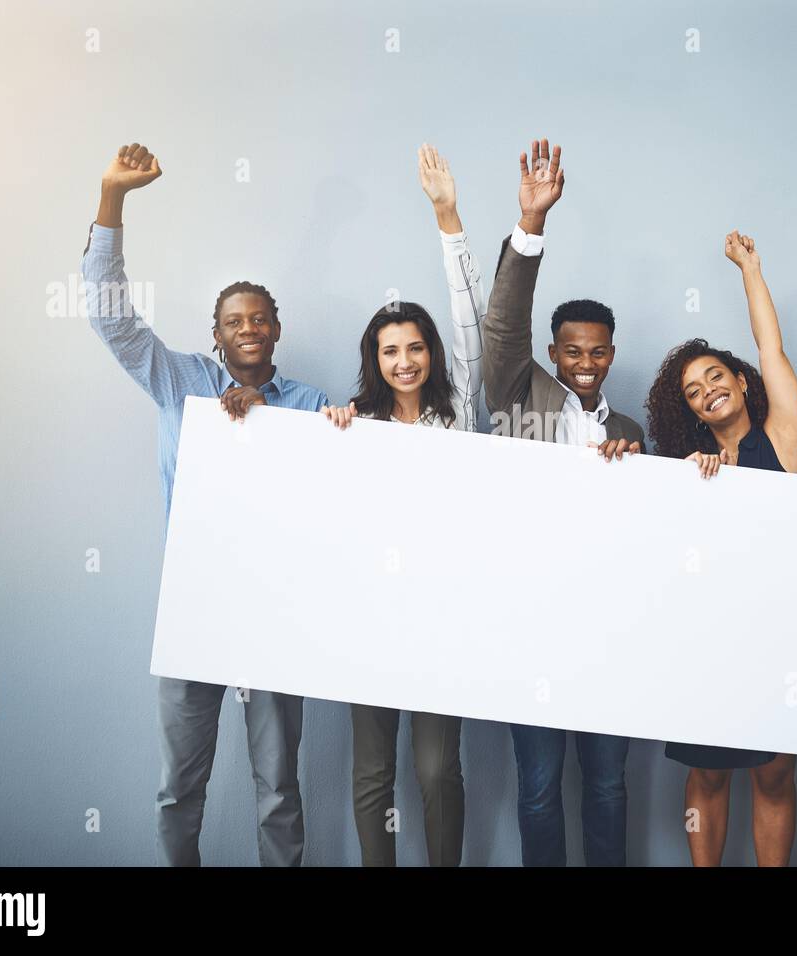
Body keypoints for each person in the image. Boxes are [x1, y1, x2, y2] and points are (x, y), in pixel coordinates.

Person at [82, 142, 328, 866]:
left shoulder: (311, 404)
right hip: (194, 606)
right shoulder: (177, 382)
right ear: (215, 335)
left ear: (276, 330)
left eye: (260, 319)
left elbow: (322, 503)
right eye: (234, 321)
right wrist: (112, 198)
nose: (248, 329)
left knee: (278, 785)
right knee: (177, 788)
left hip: (273, 613)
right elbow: (111, 319)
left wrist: (269, 420)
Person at [481, 138, 644, 867]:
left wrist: (637, 475)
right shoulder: (521, 392)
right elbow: (501, 326)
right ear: (552, 353)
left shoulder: (634, 431)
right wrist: (531, 225)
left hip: (610, 628)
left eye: (598, 351)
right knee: (541, 787)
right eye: (572, 350)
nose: (584, 362)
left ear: (611, 354)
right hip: (534, 625)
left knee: (608, 786)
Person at [320, 144, 484, 865]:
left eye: (415, 347)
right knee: (370, 773)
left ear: (432, 354)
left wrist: (447, 216)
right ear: (375, 360)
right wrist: (331, 442)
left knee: (436, 769)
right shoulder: (355, 426)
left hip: (442, 615)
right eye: (390, 351)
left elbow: (471, 315)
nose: (405, 361)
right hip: (367, 615)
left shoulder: (465, 414)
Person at [643, 230, 797, 866]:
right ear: (689, 411)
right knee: (707, 777)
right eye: (693, 389)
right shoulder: (687, 470)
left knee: (772, 774)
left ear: (740, 380)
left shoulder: (783, 438)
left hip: (778, 634)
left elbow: (772, 345)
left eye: (716, 375)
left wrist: (751, 269)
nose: (708, 388)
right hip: (707, 642)